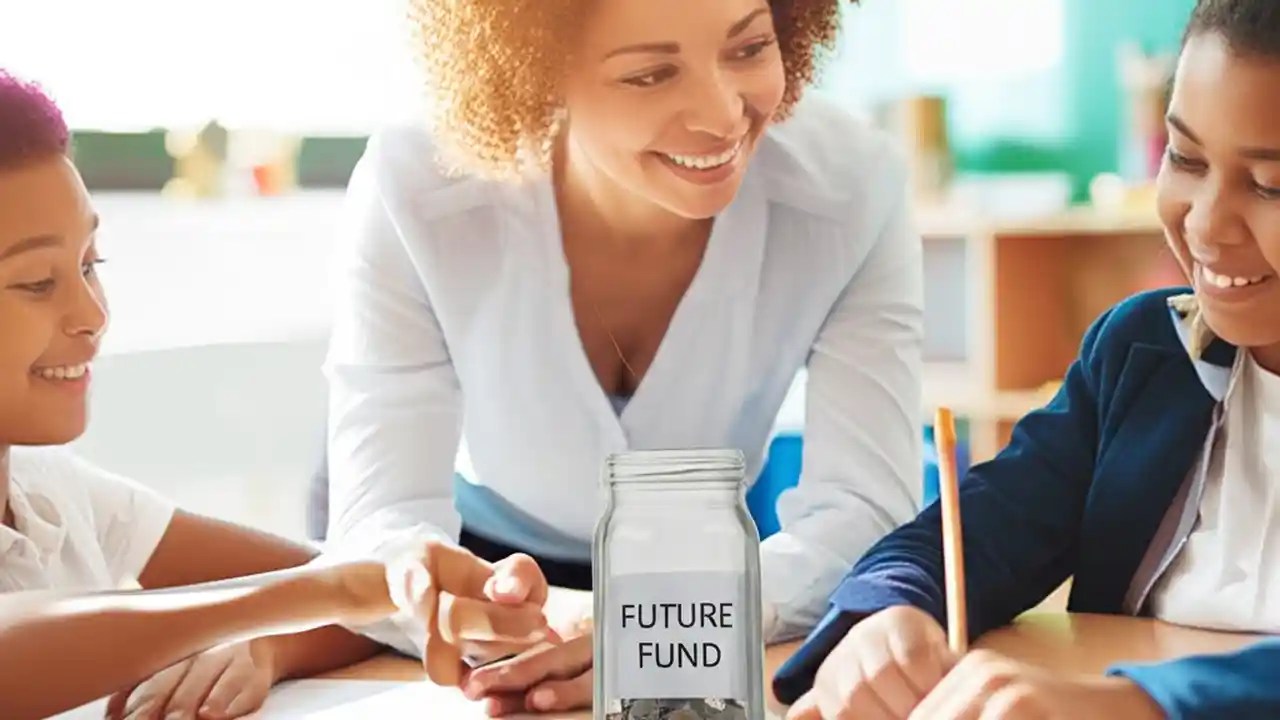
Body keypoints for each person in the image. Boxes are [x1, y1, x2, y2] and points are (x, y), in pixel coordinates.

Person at [323, 0, 925, 710]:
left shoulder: (855, 189)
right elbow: (380, 528)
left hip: (725, 582)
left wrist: (683, 620)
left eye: (748, 48)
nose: (723, 114)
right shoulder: (415, 185)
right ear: (536, 74)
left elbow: (864, 515)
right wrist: (435, 595)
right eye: (649, 75)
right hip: (487, 573)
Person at [773, 1, 1280, 717]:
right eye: (1185, 158)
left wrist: (1139, 704)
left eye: (1270, 185)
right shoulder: (1143, 354)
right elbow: (986, 525)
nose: (1204, 223)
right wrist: (889, 614)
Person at [0, 69, 552, 720]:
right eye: (37, 282)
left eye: (90, 264)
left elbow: (360, 601)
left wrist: (275, 640)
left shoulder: (56, 497)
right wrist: (324, 593)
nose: (93, 314)